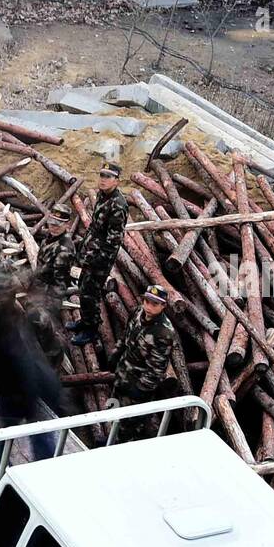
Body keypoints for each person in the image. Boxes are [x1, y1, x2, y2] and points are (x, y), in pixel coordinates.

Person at [0, 271, 64, 466]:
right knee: (12, 432)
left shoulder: (7, 333)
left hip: (30, 390)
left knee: (29, 432)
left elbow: (24, 368)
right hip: (18, 388)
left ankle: (33, 470)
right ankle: (2, 468)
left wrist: (27, 404)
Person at [68, 161, 129, 347]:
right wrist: (83, 253)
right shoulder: (103, 196)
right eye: (102, 175)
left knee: (90, 293)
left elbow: (113, 241)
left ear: (117, 181)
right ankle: (85, 321)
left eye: (108, 177)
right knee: (83, 288)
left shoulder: (118, 205)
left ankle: (91, 330)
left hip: (100, 259)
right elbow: (95, 228)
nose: (103, 180)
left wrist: (95, 261)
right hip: (90, 251)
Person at [108, 284, 177, 441]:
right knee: (113, 408)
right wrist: (116, 353)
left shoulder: (164, 332)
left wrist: (140, 390)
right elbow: (126, 334)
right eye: (146, 301)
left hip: (137, 384)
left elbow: (157, 369)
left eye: (154, 304)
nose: (148, 306)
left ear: (163, 305)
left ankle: (121, 444)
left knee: (130, 423)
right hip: (122, 373)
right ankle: (110, 437)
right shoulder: (139, 312)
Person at [34, 203, 78, 297]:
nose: (53, 228)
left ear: (67, 224)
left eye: (57, 225)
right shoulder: (49, 238)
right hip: (39, 289)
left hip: (49, 297)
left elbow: (58, 284)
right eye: (51, 223)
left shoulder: (64, 250)